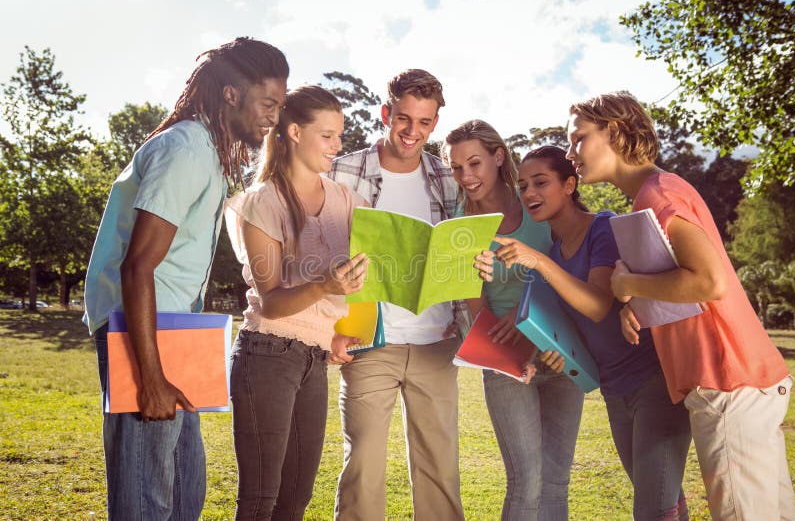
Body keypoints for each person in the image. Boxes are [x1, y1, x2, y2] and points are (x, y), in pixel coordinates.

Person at [567, 90, 795, 520]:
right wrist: (638, 303)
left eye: (578, 138)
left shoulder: (660, 195)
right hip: (735, 381)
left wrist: (626, 283)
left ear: (613, 132)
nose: (571, 153)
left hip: (727, 383)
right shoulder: (649, 198)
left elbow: (709, 281)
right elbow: (682, 283)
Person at [83, 37, 289, 520]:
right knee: (147, 496)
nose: (273, 118)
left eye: (279, 106)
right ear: (231, 94)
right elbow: (138, 267)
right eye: (267, 103)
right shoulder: (186, 148)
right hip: (140, 333)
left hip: (175, 331)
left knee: (182, 493)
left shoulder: (211, 152)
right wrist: (151, 378)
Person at [489, 144, 692, 520]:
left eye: (541, 182)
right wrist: (556, 352)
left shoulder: (604, 227)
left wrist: (537, 261)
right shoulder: (555, 250)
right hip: (615, 391)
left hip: (654, 383)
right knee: (665, 499)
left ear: (569, 184)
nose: (530, 193)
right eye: (523, 186)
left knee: (654, 508)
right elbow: (575, 328)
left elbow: (599, 304)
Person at [327, 69, 493, 520]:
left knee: (440, 468)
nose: (412, 131)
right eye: (403, 118)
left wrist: (477, 263)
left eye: (424, 122)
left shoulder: (447, 176)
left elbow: (466, 245)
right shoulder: (343, 170)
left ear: (435, 123)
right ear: (386, 112)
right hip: (369, 341)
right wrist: (331, 326)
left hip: (436, 341)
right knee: (362, 465)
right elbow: (317, 248)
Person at [224, 85, 368, 520]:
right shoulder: (261, 202)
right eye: (327, 135)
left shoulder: (347, 200)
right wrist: (324, 285)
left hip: (316, 357)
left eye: (339, 136)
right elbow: (271, 303)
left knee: (295, 500)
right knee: (260, 500)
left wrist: (342, 328)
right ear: (293, 131)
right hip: (267, 353)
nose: (337, 146)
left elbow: (370, 272)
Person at [442, 120, 584, 520]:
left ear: (498, 156)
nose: (466, 177)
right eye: (456, 168)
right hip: (507, 361)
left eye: (474, 163)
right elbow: (477, 307)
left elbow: (567, 271)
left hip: (558, 349)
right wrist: (515, 345)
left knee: (557, 481)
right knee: (526, 480)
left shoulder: (536, 202)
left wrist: (539, 333)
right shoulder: (462, 223)